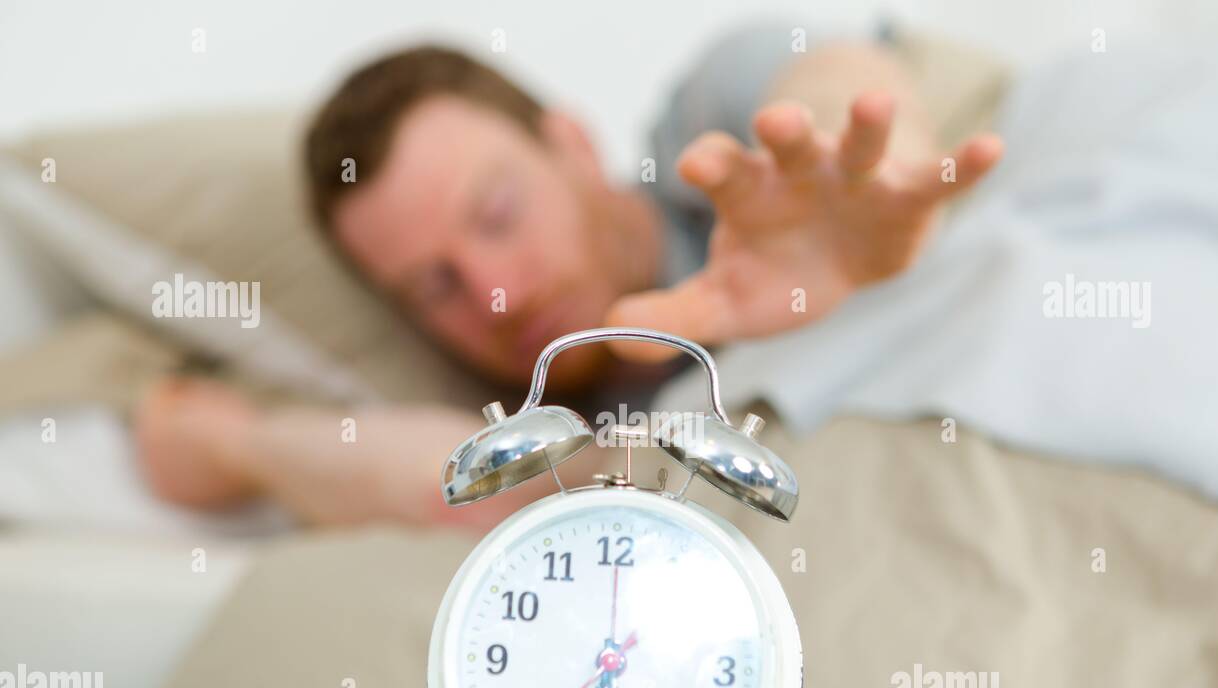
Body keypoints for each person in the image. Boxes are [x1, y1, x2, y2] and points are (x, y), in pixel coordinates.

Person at [132, 24, 1002, 530]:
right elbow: (464, 484)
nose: (493, 291)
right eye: (435, 285)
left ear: (574, 146)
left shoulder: (700, 148)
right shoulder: (554, 426)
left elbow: (835, 80)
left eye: (498, 213)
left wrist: (868, 178)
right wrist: (233, 441)